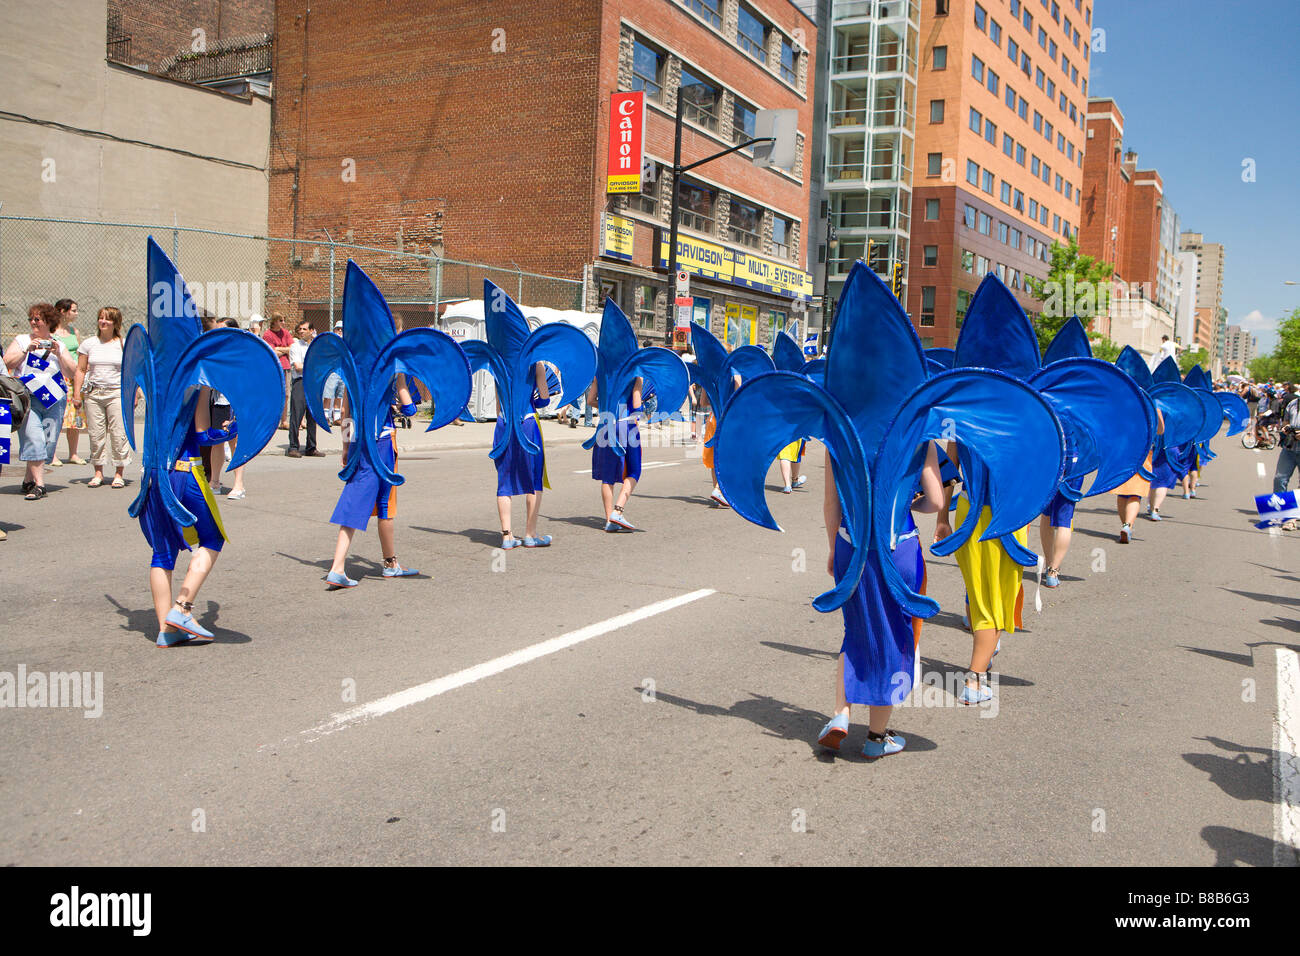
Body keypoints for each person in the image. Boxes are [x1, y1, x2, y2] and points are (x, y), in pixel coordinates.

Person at [142, 385, 234, 646]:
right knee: (212, 539)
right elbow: (203, 435)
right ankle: (182, 608)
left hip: (153, 473)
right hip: (185, 471)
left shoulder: (155, 372)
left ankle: (166, 630)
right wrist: (230, 431)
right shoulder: (196, 377)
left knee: (162, 552)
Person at [325, 375, 420, 587]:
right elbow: (410, 409)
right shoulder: (391, 366)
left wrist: (346, 448)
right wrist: (401, 393)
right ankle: (338, 567)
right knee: (375, 503)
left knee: (366, 500)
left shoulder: (353, 367)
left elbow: (345, 414)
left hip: (358, 443)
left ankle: (390, 562)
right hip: (382, 443)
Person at [3, 303, 77, 500]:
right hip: (28, 397)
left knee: (47, 440)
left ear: (48, 321)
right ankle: (40, 485)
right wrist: (27, 349)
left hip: (54, 398)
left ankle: (29, 479)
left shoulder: (58, 343)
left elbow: (71, 372)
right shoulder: (21, 340)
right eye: (31, 319)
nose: (33, 322)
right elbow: (7, 364)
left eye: (37, 319)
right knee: (33, 437)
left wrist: (59, 354)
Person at [494, 363, 552, 548]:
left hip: (503, 423)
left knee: (504, 481)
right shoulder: (536, 363)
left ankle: (507, 536)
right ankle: (530, 534)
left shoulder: (498, 363)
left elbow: (498, 404)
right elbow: (544, 398)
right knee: (534, 479)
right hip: (527, 422)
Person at [73, 306, 130, 489]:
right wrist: (77, 395)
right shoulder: (89, 344)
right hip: (94, 393)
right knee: (96, 434)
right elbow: (81, 370)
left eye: (107, 319)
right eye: (100, 318)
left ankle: (119, 473)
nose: (103, 322)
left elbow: (131, 372)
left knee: (118, 433)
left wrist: (134, 394)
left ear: (116, 323)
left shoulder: (124, 344)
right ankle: (98, 472)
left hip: (116, 393)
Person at [53, 299, 86, 466]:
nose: (76, 313)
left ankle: (73, 453)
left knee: (75, 415)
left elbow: (79, 354)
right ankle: (52, 454)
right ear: (62, 311)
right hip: (58, 378)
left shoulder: (74, 331)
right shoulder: (51, 332)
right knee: (58, 416)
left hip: (74, 378)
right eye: (73, 310)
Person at [287, 319, 324, 458]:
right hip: (300, 382)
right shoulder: (295, 346)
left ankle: (311, 447)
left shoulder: (316, 346)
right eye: (300, 329)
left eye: (304, 329)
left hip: (313, 383)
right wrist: (313, 366)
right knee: (296, 415)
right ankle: (293, 446)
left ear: (311, 331)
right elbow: (297, 366)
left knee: (313, 416)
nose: (301, 331)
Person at [262, 311, 294, 429]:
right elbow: (272, 352)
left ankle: (284, 420)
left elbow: (292, 349)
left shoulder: (285, 333)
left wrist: (279, 348)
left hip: (286, 367)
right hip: (274, 367)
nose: (283, 323)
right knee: (274, 394)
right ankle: (272, 420)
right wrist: (283, 350)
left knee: (286, 395)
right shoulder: (268, 334)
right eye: (281, 320)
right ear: (274, 321)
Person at [323, 321, 346, 424]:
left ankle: (336, 417)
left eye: (341, 329)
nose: (340, 331)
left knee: (339, 396)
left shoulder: (345, 342)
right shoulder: (331, 342)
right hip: (333, 371)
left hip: (343, 371)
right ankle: (326, 416)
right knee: (328, 394)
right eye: (338, 329)